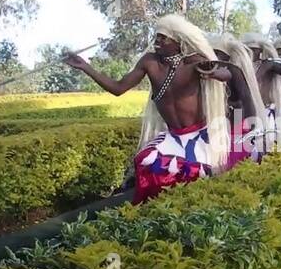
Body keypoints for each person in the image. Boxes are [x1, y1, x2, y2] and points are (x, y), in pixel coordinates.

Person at [63, 14, 231, 204]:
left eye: (163, 37)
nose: (157, 41)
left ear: (178, 42)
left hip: (200, 137)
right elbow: (118, 89)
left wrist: (213, 72)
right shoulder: (149, 62)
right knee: (146, 162)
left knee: (196, 176)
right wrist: (85, 67)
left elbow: (226, 74)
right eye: (156, 36)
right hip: (173, 136)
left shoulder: (193, 61)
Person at [209, 33, 270, 167]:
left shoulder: (233, 70)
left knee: (233, 164)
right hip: (219, 127)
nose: (214, 56)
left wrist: (253, 129)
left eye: (218, 53)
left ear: (227, 56)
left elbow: (247, 99)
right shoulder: (209, 70)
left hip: (237, 128)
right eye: (213, 53)